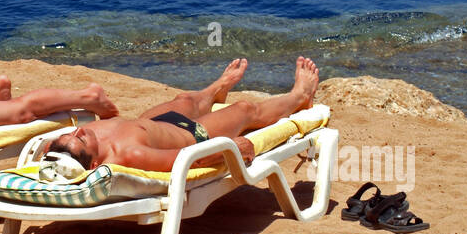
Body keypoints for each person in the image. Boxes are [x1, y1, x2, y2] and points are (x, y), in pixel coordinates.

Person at [45, 57, 320, 175]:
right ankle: (300, 96)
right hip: (192, 134)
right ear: (93, 165)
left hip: (152, 123)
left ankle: (217, 90)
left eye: (69, 133)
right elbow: (187, 160)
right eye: (79, 140)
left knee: (185, 98)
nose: (78, 131)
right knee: (245, 109)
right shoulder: (129, 155)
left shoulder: (61, 150)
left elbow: (50, 153)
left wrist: (57, 149)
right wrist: (230, 148)